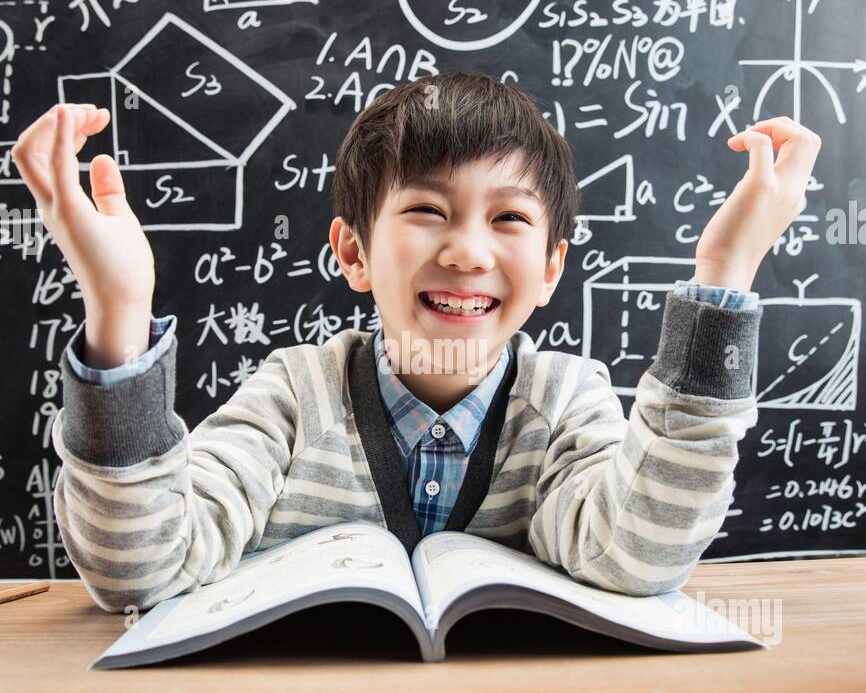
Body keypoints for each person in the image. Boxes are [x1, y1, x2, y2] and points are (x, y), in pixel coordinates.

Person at [10, 73, 821, 613]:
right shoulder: (295, 395)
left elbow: (640, 556)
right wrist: (119, 307)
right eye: (427, 210)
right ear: (354, 253)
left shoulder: (566, 402)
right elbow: (137, 572)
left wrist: (726, 270)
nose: (468, 251)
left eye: (509, 219)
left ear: (549, 270)